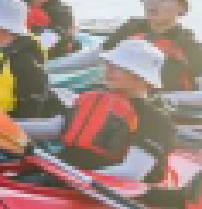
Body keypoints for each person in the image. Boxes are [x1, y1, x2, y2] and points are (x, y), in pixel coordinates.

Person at [49, 0, 202, 109]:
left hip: (159, 110)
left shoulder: (191, 46)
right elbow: (97, 56)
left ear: (181, 8)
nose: (154, 3)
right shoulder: (131, 28)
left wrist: (167, 99)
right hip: (118, 100)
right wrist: (48, 68)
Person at [16, 38, 177, 182]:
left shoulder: (156, 120)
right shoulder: (93, 98)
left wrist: (71, 179)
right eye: (110, 64)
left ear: (141, 76)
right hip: (65, 173)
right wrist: (5, 124)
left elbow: (132, 173)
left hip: (91, 187)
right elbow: (56, 127)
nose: (109, 70)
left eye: (119, 67)